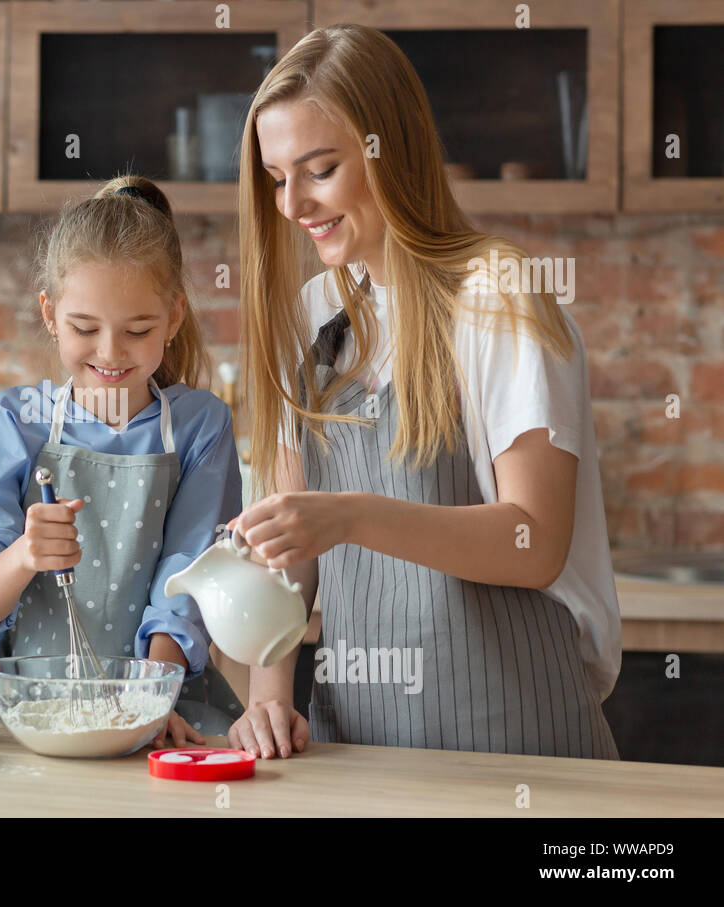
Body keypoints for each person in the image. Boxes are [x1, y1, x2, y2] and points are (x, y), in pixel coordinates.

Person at [226, 25, 621, 759]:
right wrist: (268, 696)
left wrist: (349, 515)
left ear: (389, 149)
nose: (292, 204)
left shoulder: (498, 295)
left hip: (515, 745)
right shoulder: (312, 320)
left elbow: (532, 541)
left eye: (318, 170)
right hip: (360, 754)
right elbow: (289, 554)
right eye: (277, 178)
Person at [0, 176, 245, 744]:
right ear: (50, 314)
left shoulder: (200, 427)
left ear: (174, 317)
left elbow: (188, 577)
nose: (109, 351)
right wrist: (25, 555)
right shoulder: (16, 422)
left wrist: (149, 698)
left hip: (161, 706)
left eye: (138, 329)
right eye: (84, 328)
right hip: (29, 719)